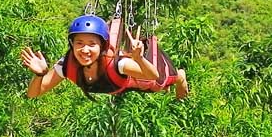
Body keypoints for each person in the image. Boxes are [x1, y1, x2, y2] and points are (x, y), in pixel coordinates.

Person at [21, 14, 189, 100]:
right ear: (72, 45)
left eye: (91, 44)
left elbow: (152, 75)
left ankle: (180, 78)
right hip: (116, 86)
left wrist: (139, 59)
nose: (85, 50)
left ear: (102, 46)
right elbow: (34, 94)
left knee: (159, 84)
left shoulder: (118, 64)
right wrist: (39, 75)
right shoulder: (66, 65)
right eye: (79, 43)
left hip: (138, 81)